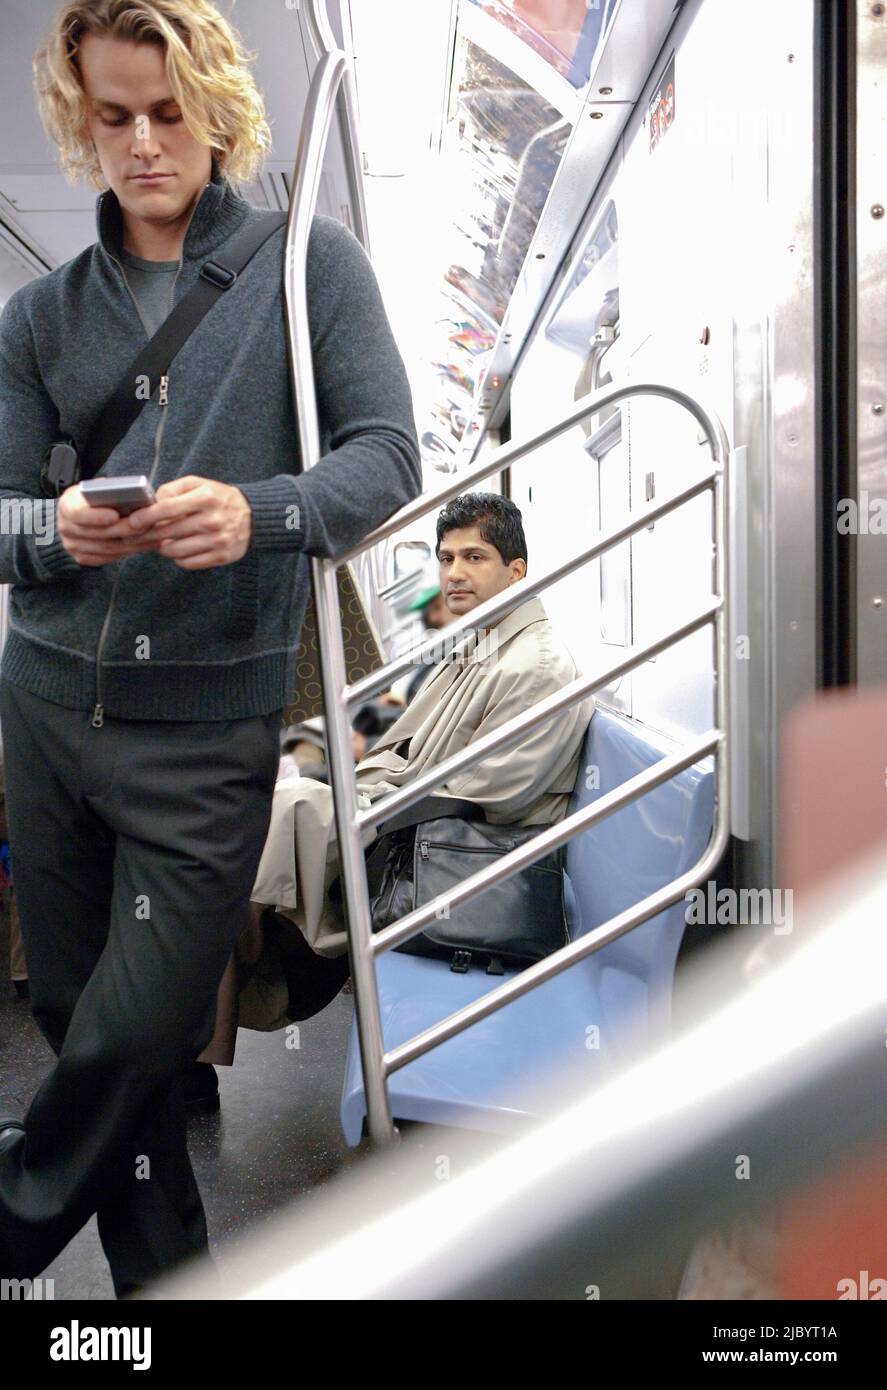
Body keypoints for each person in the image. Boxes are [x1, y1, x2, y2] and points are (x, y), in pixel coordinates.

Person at [0, 0, 421, 1295]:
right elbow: (3, 510)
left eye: (167, 113)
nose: (141, 143)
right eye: (113, 115)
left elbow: (387, 459)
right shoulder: (40, 315)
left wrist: (262, 510)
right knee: (82, 1028)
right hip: (49, 709)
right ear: (81, 119)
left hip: (201, 733)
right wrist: (56, 532)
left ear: (217, 110)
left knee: (129, 1038)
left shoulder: (310, 272)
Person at [249, 493, 595, 962]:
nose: (454, 573)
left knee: (282, 813)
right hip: (429, 827)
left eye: (475, 557)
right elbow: (411, 746)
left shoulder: (536, 665)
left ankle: (245, 954)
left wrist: (370, 803)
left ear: (516, 572)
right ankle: (246, 952)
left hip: (468, 857)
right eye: (447, 558)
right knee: (278, 801)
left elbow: (490, 797)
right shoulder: (479, 643)